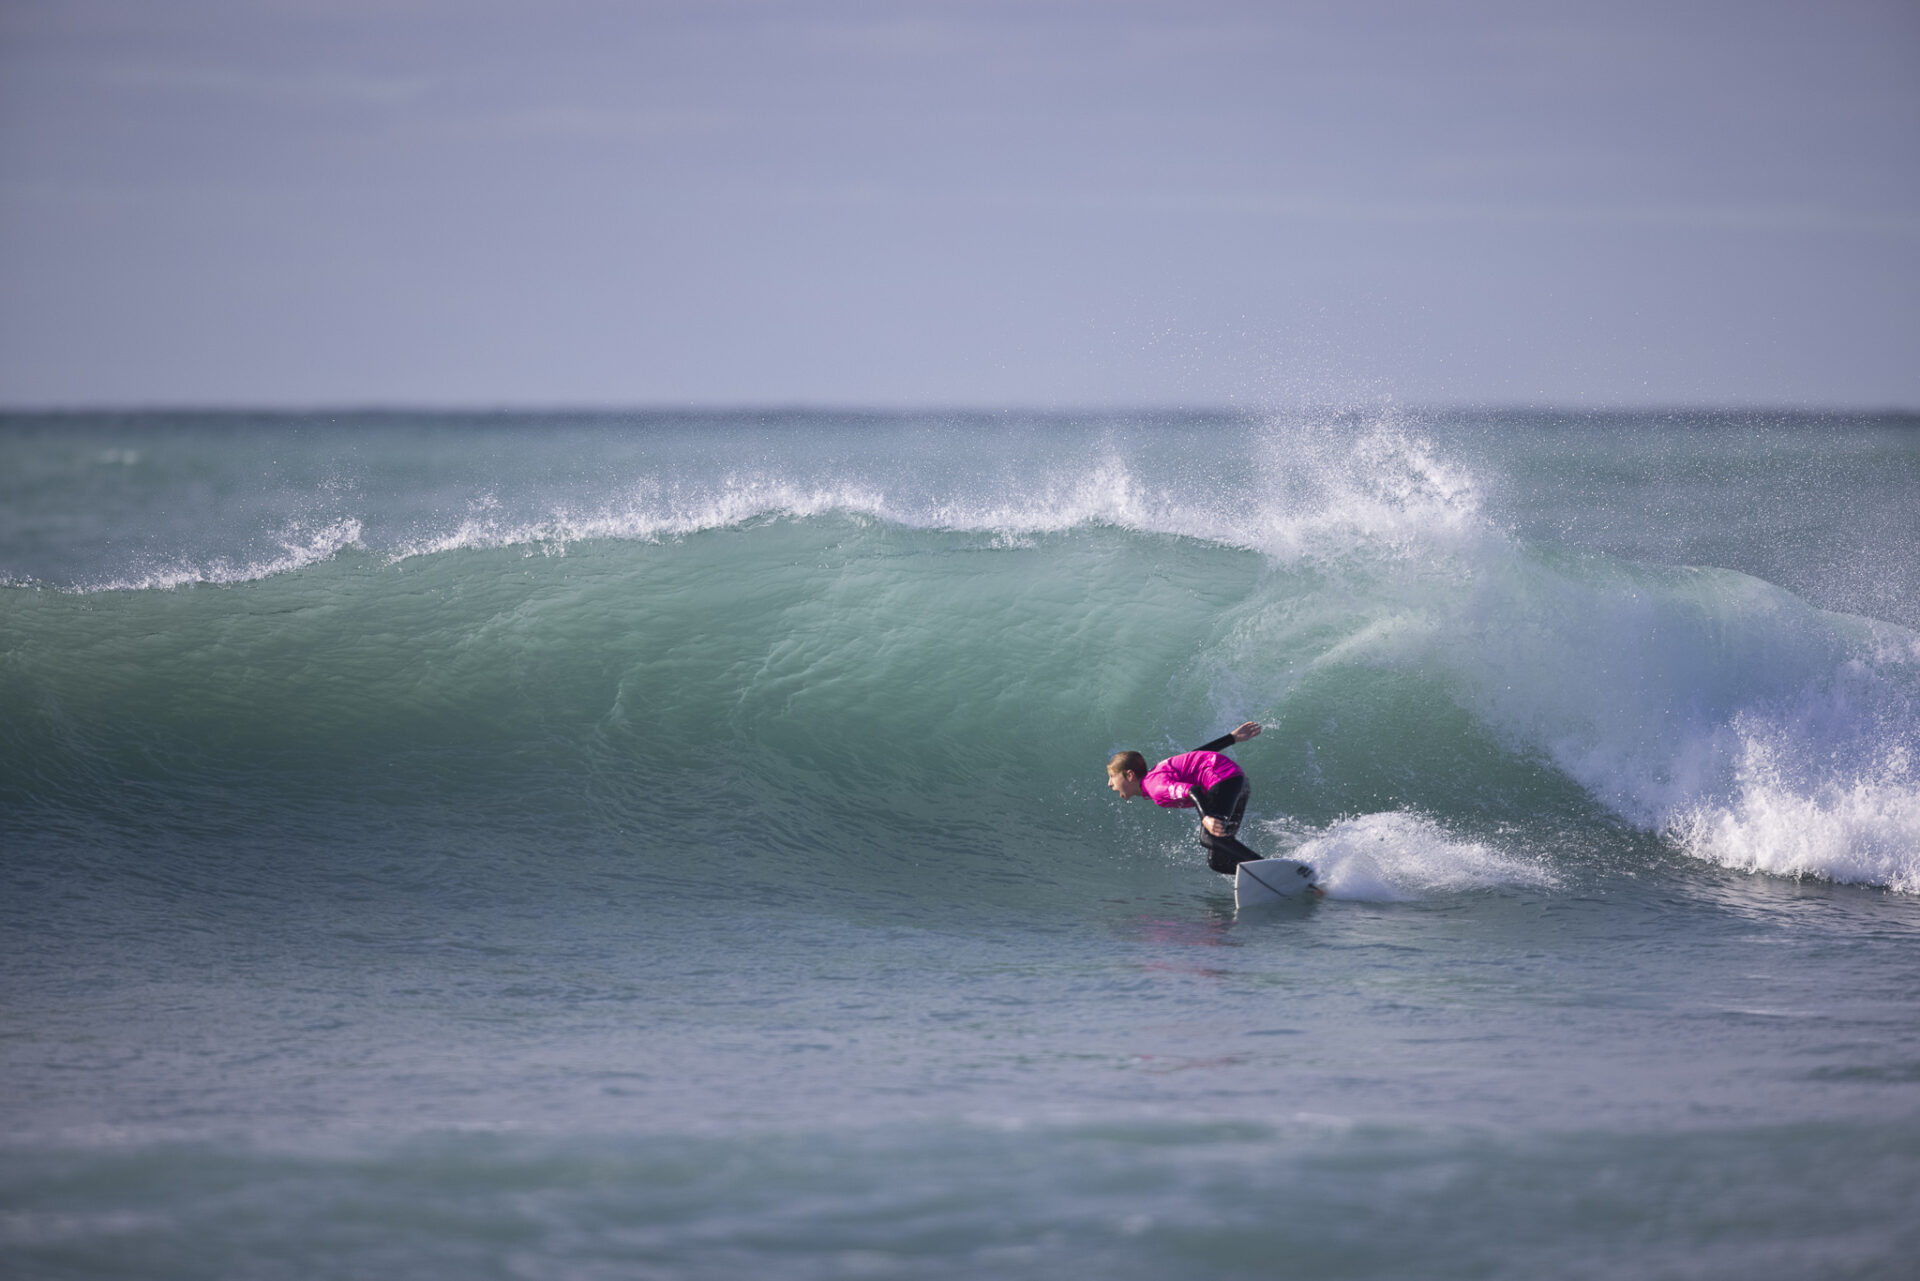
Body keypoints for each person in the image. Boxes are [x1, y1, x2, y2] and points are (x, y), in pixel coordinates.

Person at [1108, 721, 1267, 874]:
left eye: (1112, 777)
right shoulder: (1156, 775)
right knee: (1217, 861)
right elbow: (1195, 755)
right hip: (1235, 781)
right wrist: (1232, 738)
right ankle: (1263, 875)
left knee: (1210, 839)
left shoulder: (1155, 787)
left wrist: (1205, 817)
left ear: (1130, 775)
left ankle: (1266, 868)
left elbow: (1193, 789)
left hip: (1224, 779)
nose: (1110, 784)